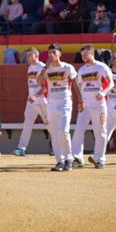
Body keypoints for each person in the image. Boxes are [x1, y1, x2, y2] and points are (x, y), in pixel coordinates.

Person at [37, 43, 82, 171]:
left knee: (63, 130)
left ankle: (69, 158)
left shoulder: (68, 67)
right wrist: (45, 67)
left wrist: (81, 100)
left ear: (60, 54)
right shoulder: (47, 69)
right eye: (50, 53)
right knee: (55, 132)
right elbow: (39, 82)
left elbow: (75, 84)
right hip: (51, 103)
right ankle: (60, 161)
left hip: (65, 102)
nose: (51, 55)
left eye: (54, 53)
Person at [72, 44, 111, 168]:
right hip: (85, 105)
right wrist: (80, 101)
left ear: (92, 54)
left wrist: (104, 92)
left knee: (100, 132)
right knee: (78, 130)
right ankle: (78, 158)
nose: (83, 57)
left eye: (85, 55)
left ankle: (100, 160)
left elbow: (111, 82)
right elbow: (78, 86)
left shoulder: (101, 67)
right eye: (82, 55)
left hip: (99, 105)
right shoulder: (82, 70)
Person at [14, 47, 49, 156]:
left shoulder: (42, 67)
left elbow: (46, 87)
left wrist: (36, 96)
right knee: (27, 123)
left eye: (29, 55)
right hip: (31, 101)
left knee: (50, 124)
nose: (27, 58)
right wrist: (32, 97)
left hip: (42, 101)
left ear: (36, 55)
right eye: (27, 55)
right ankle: (21, 148)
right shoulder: (30, 68)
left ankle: (58, 147)